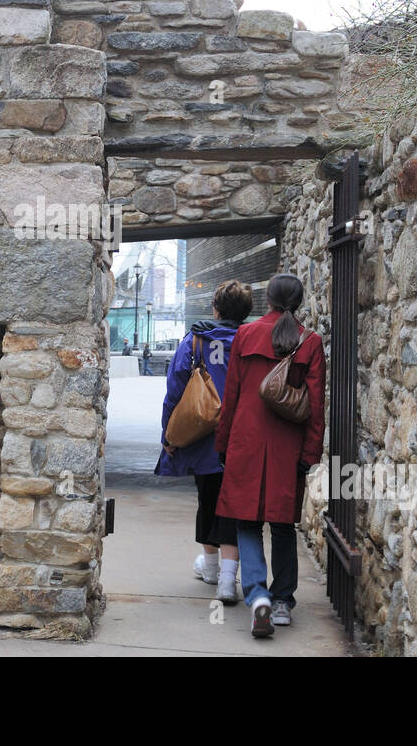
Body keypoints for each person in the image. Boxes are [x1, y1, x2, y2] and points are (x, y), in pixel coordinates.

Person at [215, 273, 325, 639]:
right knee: (282, 525)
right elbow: (315, 407)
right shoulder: (310, 342)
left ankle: (257, 595)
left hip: (245, 441)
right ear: (300, 301)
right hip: (287, 447)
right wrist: (310, 453)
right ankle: (281, 603)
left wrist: (222, 444)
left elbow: (231, 397)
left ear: (268, 301)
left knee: (246, 522)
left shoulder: (245, 336)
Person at [156, 281, 254, 604]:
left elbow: (175, 389)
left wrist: (168, 434)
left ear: (215, 309)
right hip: (242, 436)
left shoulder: (195, 340)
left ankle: (212, 568)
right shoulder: (251, 340)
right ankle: (228, 577)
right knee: (234, 506)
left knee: (208, 498)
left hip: (204, 437)